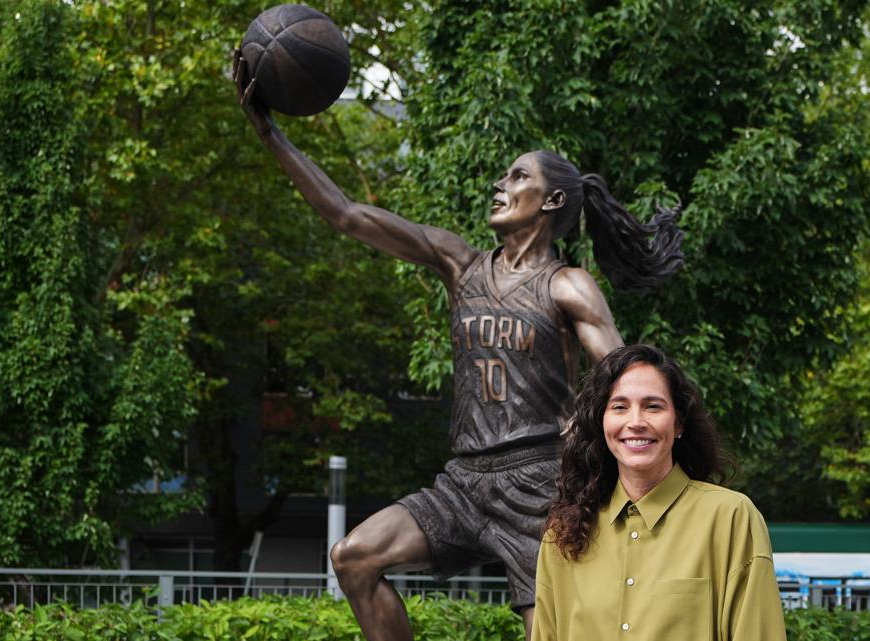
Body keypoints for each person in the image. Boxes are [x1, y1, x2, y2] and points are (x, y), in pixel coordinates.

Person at [231, 54, 685, 641]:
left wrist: (612, 457)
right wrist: (269, 131)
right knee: (355, 558)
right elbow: (347, 215)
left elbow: (627, 384)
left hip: (539, 485)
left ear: (550, 202)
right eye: (504, 176)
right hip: (463, 482)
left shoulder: (568, 285)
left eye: (518, 176)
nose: (501, 184)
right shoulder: (460, 264)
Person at [533, 344, 786, 641]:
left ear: (678, 422)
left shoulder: (730, 518)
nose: (636, 422)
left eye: (653, 406)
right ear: (602, 421)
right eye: (619, 407)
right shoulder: (563, 533)